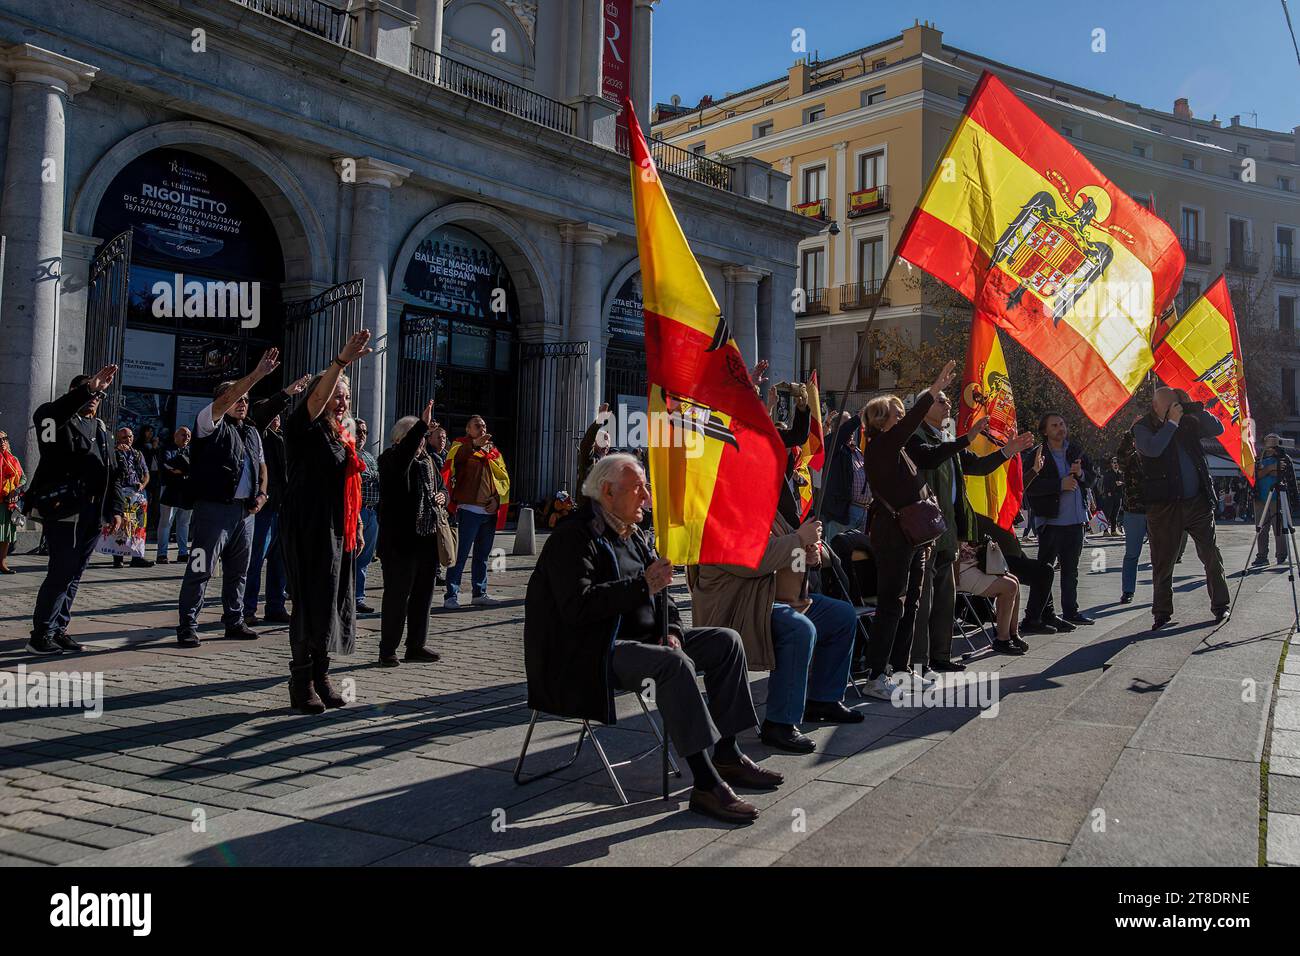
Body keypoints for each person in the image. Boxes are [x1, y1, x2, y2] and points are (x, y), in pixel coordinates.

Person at [525, 453, 781, 823]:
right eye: (638, 488)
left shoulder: (635, 535)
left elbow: (663, 599)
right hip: (591, 651)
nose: (646, 497)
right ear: (608, 492)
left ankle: (727, 752)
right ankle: (706, 783)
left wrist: (673, 631)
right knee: (672, 665)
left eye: (646, 487)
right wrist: (641, 586)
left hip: (644, 640)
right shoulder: (575, 536)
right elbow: (576, 609)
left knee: (726, 641)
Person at [688, 483, 862, 754]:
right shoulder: (718, 516)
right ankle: (780, 723)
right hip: (741, 607)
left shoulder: (766, 511)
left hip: (776, 598)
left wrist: (808, 556)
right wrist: (797, 541)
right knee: (798, 629)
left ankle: (823, 699)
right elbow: (751, 562)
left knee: (841, 616)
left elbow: (786, 555)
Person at [908, 390, 1035, 672]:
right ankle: (919, 661)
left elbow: (975, 466)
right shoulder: (917, 438)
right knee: (925, 598)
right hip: (927, 528)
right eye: (941, 400)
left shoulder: (946, 438)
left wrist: (1008, 451)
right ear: (924, 406)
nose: (948, 404)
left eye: (948, 400)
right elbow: (929, 460)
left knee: (945, 596)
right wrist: (965, 438)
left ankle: (940, 657)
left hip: (950, 529)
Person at [280, 330, 372, 714]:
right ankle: (300, 681)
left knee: (334, 603)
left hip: (338, 529)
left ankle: (322, 675)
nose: (343, 401)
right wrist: (341, 362)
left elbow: (348, 486)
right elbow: (316, 400)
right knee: (310, 603)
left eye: (347, 397)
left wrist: (359, 527)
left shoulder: (343, 436)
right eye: (338, 393)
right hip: (307, 527)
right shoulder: (304, 426)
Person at [857, 361, 958, 700]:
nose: (901, 420)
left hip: (914, 536)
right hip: (893, 535)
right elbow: (911, 424)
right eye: (896, 415)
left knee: (910, 602)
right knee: (891, 604)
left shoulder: (898, 448)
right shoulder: (881, 446)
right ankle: (875, 675)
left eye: (902, 414)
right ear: (881, 421)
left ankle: (901, 671)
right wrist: (931, 392)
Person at [175, 351, 275, 647]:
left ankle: (234, 620)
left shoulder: (252, 433)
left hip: (244, 512)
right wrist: (255, 375)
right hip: (213, 511)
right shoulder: (209, 424)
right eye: (238, 398)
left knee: (239, 571)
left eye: (246, 399)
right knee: (200, 568)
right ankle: (188, 625)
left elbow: (261, 466)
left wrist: (262, 494)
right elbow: (224, 401)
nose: (243, 403)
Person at [25, 366, 124, 655]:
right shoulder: (55, 420)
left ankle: (58, 629)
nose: (95, 396)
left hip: (93, 513)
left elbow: (113, 472)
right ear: (73, 393)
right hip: (66, 512)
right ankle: (41, 634)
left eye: (99, 394)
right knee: (61, 572)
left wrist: (115, 508)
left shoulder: (102, 429)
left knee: (75, 573)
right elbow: (49, 416)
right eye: (91, 390)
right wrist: (87, 389)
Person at [1134, 387, 1230, 628]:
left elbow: (1217, 429)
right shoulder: (1143, 426)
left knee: (1211, 553)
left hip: (1197, 501)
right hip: (1164, 505)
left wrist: (1194, 408)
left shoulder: (1187, 421)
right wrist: (1171, 425)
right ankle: (1162, 612)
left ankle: (1221, 605)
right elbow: (1153, 449)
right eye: (1167, 407)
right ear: (1155, 407)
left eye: (1175, 405)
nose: (1172, 411)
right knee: (1163, 561)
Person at [376, 401, 446, 666]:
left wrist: (442, 495)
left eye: (423, 438)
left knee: (423, 596)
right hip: (400, 542)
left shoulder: (428, 462)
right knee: (397, 596)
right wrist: (422, 426)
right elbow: (404, 457)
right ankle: (387, 649)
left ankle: (416, 645)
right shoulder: (391, 459)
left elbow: (441, 487)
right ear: (402, 438)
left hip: (426, 538)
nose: (421, 442)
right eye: (417, 437)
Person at [245, 374, 309, 624]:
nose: (277, 418)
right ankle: (246, 609)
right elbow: (262, 416)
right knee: (255, 560)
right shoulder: (257, 434)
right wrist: (287, 394)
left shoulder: (286, 439)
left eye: (278, 415)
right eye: (272, 414)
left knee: (280, 561)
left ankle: (275, 606)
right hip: (265, 508)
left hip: (285, 508)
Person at [1023, 412, 1095, 629]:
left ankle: (1071, 611)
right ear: (1045, 431)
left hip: (1076, 521)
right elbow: (1029, 487)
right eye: (1054, 425)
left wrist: (1081, 475)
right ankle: (1040, 614)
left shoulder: (1075, 450)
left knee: (1071, 570)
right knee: (1044, 571)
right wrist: (1058, 485)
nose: (1060, 428)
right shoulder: (1037, 455)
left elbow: (1091, 479)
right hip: (1051, 523)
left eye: (1062, 423)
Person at [443, 414, 509, 610]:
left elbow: (503, 479)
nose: (482, 428)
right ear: (468, 430)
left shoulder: (494, 452)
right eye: (477, 426)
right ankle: (451, 595)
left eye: (483, 425)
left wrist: (497, 501)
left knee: (482, 556)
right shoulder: (461, 446)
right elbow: (455, 461)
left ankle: (479, 592)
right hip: (469, 509)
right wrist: (475, 446)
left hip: (488, 511)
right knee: (460, 554)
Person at [955, 539, 1025, 653]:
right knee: (1009, 586)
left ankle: (1012, 633)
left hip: (970, 563)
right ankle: (1003, 639)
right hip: (959, 569)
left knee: (1014, 581)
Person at [821, 404, 870, 540]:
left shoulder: (857, 450)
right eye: (847, 423)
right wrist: (857, 418)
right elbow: (840, 436)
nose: (852, 428)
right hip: (842, 513)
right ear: (837, 428)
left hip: (862, 511)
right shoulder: (832, 446)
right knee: (838, 554)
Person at [110, 427, 153, 569]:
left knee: (138, 526)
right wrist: (116, 450)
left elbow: (146, 473)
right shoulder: (114, 453)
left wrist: (143, 484)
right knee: (122, 525)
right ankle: (118, 557)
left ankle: (137, 557)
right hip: (121, 492)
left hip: (137, 493)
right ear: (118, 439)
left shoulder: (137, 454)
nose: (128, 440)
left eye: (130, 437)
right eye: (124, 438)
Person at [1254, 434, 1298, 567]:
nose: (1270, 442)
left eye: (1273, 440)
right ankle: (1262, 556)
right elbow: (1255, 475)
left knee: (1279, 528)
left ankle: (1281, 555)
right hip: (1260, 498)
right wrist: (1270, 468)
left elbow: (1285, 475)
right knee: (1261, 529)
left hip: (1277, 497)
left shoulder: (1284, 458)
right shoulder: (1258, 458)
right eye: (1268, 439)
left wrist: (1269, 471)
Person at [1117, 430, 1147, 604]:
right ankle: (1128, 590)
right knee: (1131, 554)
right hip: (1134, 511)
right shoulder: (1130, 459)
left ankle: (1162, 592)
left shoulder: (1157, 457)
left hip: (1157, 511)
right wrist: (1130, 433)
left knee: (1160, 556)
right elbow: (1121, 456)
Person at [155, 427, 192, 564]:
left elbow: (194, 467)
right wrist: (185, 468)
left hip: (186, 490)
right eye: (183, 434)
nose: (186, 437)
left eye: (188, 435)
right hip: (170, 489)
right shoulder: (167, 448)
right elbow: (168, 464)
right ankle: (162, 554)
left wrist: (182, 469)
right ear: (175, 436)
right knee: (166, 522)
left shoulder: (190, 450)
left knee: (184, 523)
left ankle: (183, 553)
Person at [576, 403, 613, 507]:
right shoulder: (590, 459)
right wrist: (599, 420)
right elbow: (587, 443)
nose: (606, 444)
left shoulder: (611, 463)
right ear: (595, 443)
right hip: (589, 512)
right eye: (603, 440)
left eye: (608, 440)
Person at [0, 431, 25, 574]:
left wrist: (15, 490)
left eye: (4, 439)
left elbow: (23, 477)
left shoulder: (13, 459)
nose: (2, 441)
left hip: (9, 503)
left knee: (6, 535)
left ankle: (2, 563)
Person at [1100, 456, 1125, 537]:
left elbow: (1124, 483)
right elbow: (1105, 484)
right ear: (1111, 464)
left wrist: (1121, 483)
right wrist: (1113, 486)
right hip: (1110, 496)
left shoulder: (1121, 473)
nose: (1116, 464)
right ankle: (1105, 531)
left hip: (1118, 496)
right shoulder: (1108, 473)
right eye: (1114, 463)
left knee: (1115, 514)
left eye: (1117, 463)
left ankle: (1113, 531)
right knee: (1107, 513)